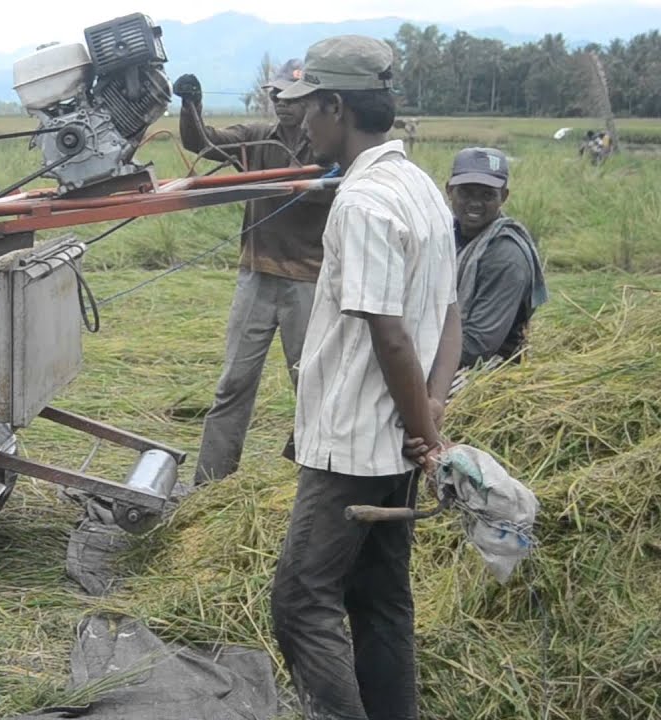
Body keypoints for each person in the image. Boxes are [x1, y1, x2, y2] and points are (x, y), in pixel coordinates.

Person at [267, 35, 463, 719]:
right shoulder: (421, 188)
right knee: (380, 598)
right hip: (399, 441)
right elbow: (448, 315)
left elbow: (390, 332)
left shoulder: (364, 202)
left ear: (334, 105)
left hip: (353, 443)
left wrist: (425, 431)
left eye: (306, 110)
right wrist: (429, 417)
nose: (300, 124)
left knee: (299, 600)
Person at [173, 59, 335, 485]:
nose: (282, 103)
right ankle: (210, 484)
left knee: (311, 386)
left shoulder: (329, 149)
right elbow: (205, 143)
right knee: (233, 385)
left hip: (307, 282)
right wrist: (192, 106)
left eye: (293, 97)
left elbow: (322, 197)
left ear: (314, 101)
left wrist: (293, 185)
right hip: (256, 278)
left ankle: (314, 481)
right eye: (277, 94)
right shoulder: (257, 138)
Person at [446, 147, 548, 371]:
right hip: (447, 350)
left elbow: (476, 347)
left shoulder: (505, 257)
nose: (474, 203)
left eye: (486, 195)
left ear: (503, 196)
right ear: (449, 191)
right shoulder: (445, 235)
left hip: (485, 373)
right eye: (466, 192)